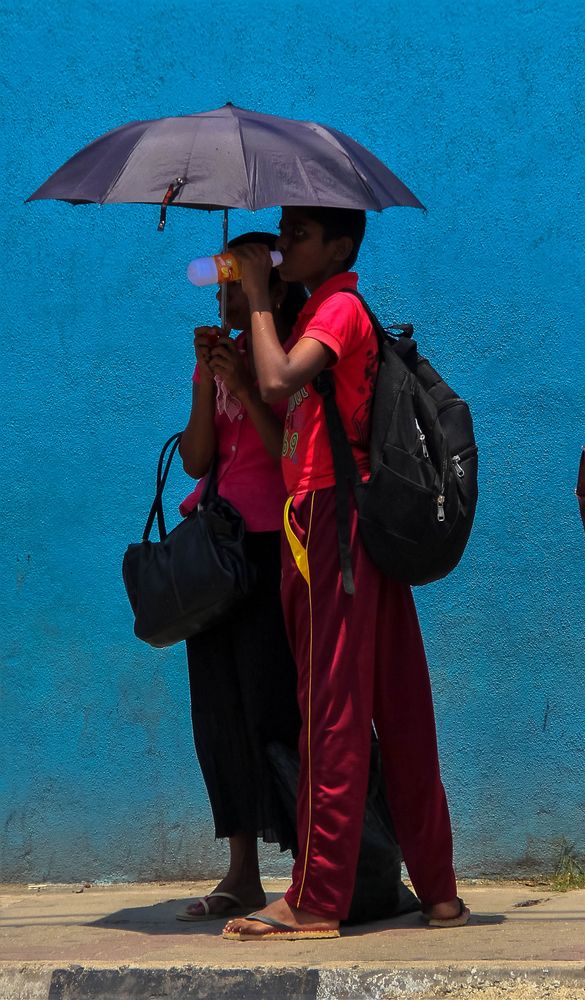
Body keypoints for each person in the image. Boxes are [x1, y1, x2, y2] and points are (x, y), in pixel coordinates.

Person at [220, 206, 467, 941]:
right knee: (399, 705)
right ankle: (440, 892)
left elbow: (276, 381)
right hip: (346, 522)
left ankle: (317, 899)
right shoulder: (320, 311)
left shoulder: (338, 309)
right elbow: (280, 416)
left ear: (339, 245)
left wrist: (259, 296)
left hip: (334, 525)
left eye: (297, 233)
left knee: (330, 711)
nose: (282, 242)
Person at [175, 232, 307, 921]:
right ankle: (239, 871)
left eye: (235, 287)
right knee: (217, 710)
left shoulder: (282, 359)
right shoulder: (216, 360)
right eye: (221, 288)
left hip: (265, 546)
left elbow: (286, 454)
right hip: (215, 548)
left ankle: (303, 869)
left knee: (270, 705)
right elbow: (198, 459)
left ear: (268, 290)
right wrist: (206, 381)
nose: (223, 300)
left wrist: (243, 386)